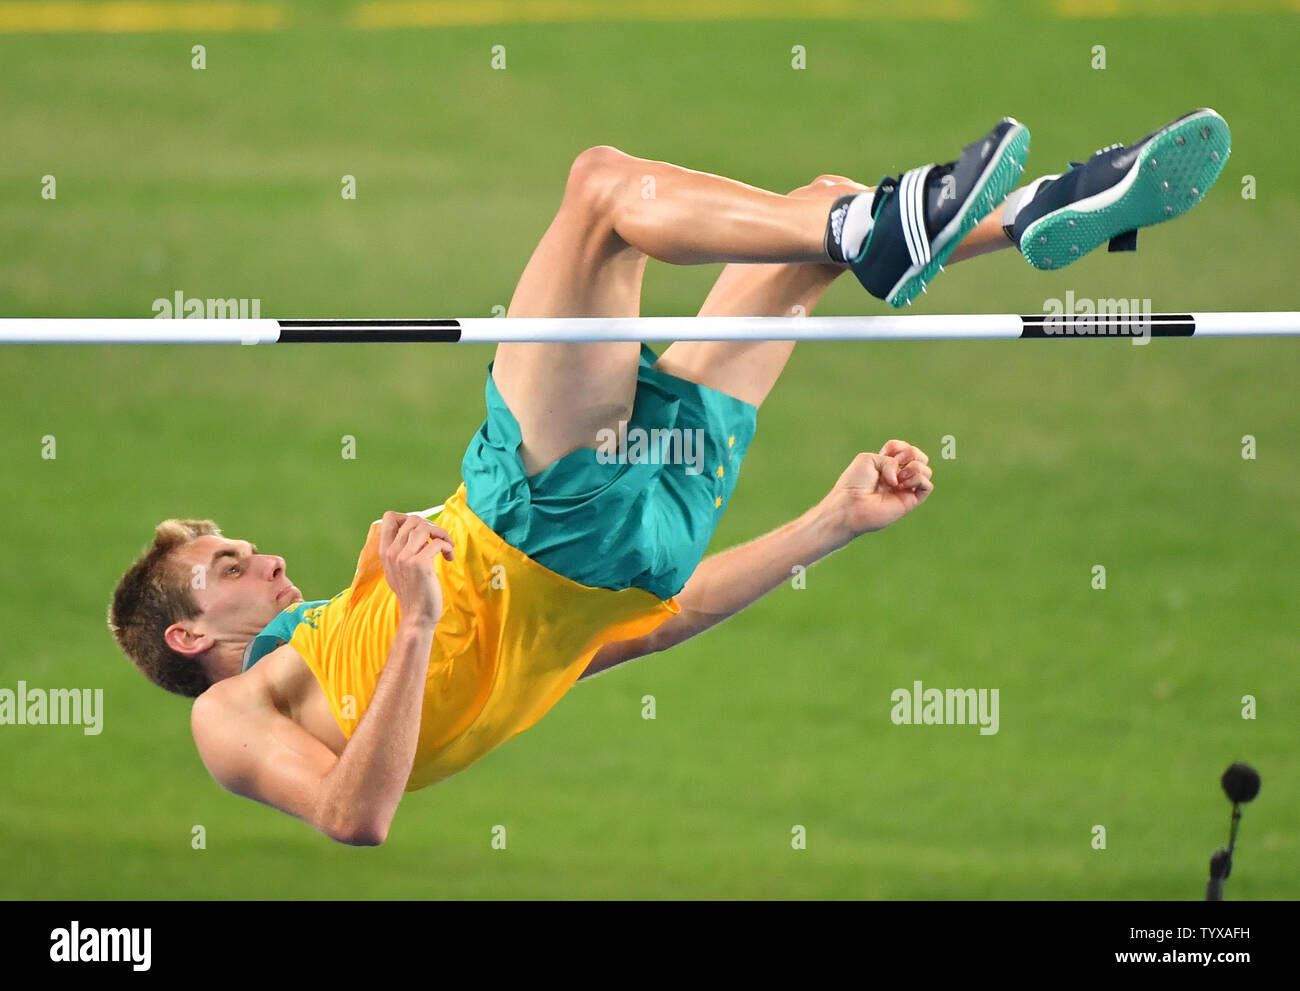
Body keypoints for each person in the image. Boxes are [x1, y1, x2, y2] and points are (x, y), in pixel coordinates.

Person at [108, 109, 1229, 845]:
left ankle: (1030, 217)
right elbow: (358, 817)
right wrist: (411, 620)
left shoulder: (339, 611)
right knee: (601, 191)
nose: (258, 555)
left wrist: (828, 522)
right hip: (537, 516)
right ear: (189, 636)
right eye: (225, 566)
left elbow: (642, 628)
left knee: (807, 243)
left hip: (636, 548)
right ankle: (878, 226)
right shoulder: (237, 717)